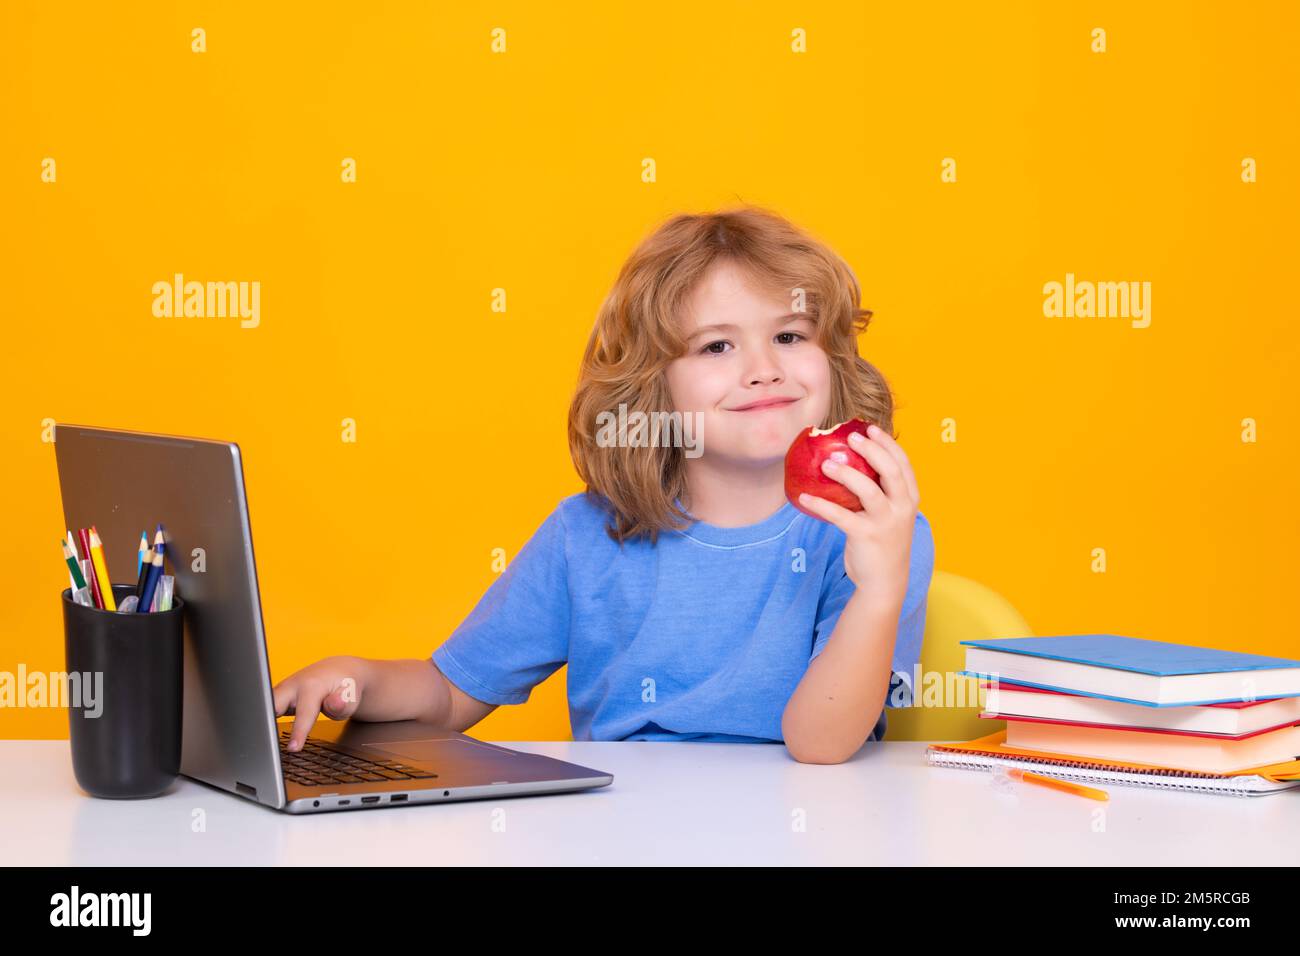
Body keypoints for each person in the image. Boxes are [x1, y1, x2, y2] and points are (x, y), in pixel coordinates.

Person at [273, 205, 934, 764]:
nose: (763, 370)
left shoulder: (875, 537)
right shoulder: (587, 533)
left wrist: (878, 590)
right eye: (715, 347)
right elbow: (450, 694)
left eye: (789, 335)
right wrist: (359, 677)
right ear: (654, 388)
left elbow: (820, 748)